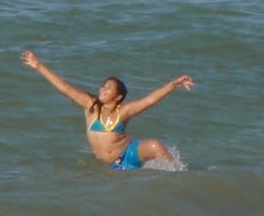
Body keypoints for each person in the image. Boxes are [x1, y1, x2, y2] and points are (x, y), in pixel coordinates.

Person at [21, 50, 192, 169]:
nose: (103, 89)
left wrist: (173, 85)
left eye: (109, 88)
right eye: (103, 85)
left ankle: (177, 174)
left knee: (155, 145)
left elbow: (150, 100)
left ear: (118, 97)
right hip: (112, 165)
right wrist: (38, 65)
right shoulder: (90, 106)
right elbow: (64, 88)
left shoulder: (123, 111)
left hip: (129, 153)